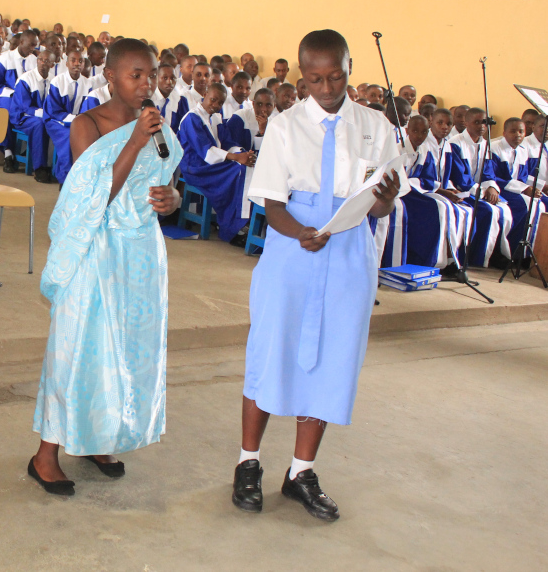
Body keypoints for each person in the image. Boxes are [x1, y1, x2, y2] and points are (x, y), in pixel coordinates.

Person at [233, 29, 402, 522]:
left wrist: (386, 196)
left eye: (336, 77)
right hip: (293, 249)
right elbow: (270, 201)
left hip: (348, 252)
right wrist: (299, 232)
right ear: (301, 75)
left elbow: (383, 200)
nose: (327, 88)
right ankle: (248, 463)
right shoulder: (285, 126)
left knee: (332, 359)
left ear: (350, 69)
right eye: (315, 79)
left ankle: (301, 471)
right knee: (271, 350)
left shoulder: (375, 126)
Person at [29, 38, 182, 496]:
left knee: (123, 352)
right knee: (78, 349)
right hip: (94, 252)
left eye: (151, 75)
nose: (146, 84)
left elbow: (168, 183)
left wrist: (172, 200)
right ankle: (45, 455)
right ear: (110, 77)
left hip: (137, 256)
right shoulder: (87, 125)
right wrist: (134, 141)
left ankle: (98, 437)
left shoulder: (159, 129)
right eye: (136, 75)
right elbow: (94, 198)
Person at [177, 83, 254, 244]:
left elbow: (227, 141)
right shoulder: (192, 118)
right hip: (196, 168)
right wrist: (235, 158)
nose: (216, 105)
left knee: (245, 168)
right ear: (204, 94)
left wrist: (242, 154)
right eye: (213, 100)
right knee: (236, 171)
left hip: (211, 165)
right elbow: (206, 152)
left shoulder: (216, 117)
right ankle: (230, 226)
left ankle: (237, 221)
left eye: (220, 103)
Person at [399, 109, 473, 273]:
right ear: (407, 131)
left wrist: (447, 189)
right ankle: (428, 259)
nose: (419, 135)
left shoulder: (426, 149)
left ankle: (451, 259)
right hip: (403, 192)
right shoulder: (399, 149)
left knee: (462, 210)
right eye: (415, 131)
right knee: (439, 208)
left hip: (419, 189)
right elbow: (402, 179)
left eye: (423, 132)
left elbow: (428, 177)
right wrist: (440, 190)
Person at [450, 107, 512, 268]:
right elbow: (460, 177)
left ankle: (495, 254)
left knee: (505, 210)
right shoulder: (456, 143)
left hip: (481, 188)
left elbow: (488, 171)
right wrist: (482, 192)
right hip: (463, 189)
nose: (481, 126)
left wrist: (491, 187)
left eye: (484, 122)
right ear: (467, 123)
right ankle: (476, 256)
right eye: (476, 122)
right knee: (489, 211)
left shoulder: (485, 144)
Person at [491, 118, 546, 259]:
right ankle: (505, 251)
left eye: (521, 132)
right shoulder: (495, 148)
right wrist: (523, 189)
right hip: (499, 188)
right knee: (525, 204)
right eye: (513, 131)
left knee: (537, 204)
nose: (518, 135)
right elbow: (493, 177)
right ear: (504, 133)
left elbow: (523, 177)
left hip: (515, 190)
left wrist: (529, 188)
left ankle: (524, 253)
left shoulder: (521, 151)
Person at [0, 28, 38, 173]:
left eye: (35, 45)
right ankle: (8, 153)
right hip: (7, 96)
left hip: (28, 98)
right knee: (6, 113)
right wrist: (14, 94)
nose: (33, 49)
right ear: (21, 42)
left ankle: (24, 149)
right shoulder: (3, 59)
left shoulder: (34, 60)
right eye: (30, 45)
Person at [43, 48, 91, 184]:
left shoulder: (88, 83)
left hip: (77, 121)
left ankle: (80, 175)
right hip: (55, 120)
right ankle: (65, 177)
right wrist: (74, 120)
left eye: (80, 61)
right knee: (69, 135)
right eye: (73, 60)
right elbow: (54, 110)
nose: (77, 64)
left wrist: (79, 120)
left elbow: (88, 109)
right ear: (67, 63)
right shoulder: (57, 82)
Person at [10, 49, 55, 183]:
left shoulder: (53, 81)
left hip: (41, 116)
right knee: (40, 124)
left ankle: (54, 166)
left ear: (52, 64)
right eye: (40, 59)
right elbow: (26, 107)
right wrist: (46, 114)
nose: (42, 63)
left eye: (46, 61)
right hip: (22, 117)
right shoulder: (26, 79)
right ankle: (39, 168)